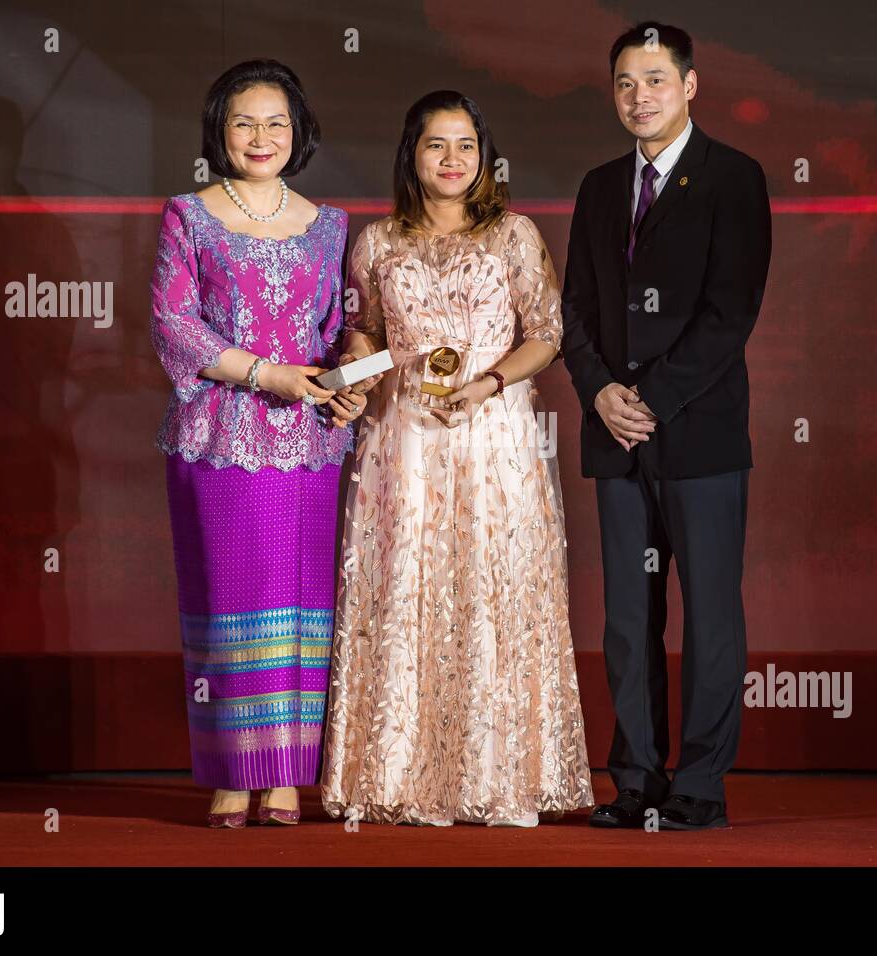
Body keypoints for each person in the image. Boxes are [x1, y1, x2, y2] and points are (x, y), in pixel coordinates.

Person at [320, 90, 595, 827]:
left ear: (485, 156)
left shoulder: (513, 236)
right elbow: (363, 335)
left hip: (493, 438)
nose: (452, 160)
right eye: (436, 145)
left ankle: (498, 776)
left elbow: (548, 331)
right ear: (411, 154)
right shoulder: (376, 243)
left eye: (466, 145)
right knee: (405, 589)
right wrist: (352, 375)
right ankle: (402, 778)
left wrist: (488, 384)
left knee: (490, 588)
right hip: (402, 441)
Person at [150, 59, 374, 828]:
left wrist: (348, 384)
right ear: (219, 130)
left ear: (299, 132)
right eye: (244, 122)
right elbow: (176, 325)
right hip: (219, 439)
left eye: (276, 122)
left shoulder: (329, 225)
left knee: (301, 606)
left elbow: (340, 333)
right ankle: (231, 773)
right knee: (228, 602)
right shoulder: (189, 214)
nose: (260, 136)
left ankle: (284, 777)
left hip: (308, 449)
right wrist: (267, 375)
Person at [561, 22, 772, 830]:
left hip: (701, 435)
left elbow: (730, 314)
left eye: (654, 80)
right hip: (614, 437)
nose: (637, 97)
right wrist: (600, 393)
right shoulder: (599, 187)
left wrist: (651, 399)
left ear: (689, 87)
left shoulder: (735, 179)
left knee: (712, 613)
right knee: (627, 618)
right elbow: (572, 307)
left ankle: (702, 783)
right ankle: (637, 776)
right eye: (623, 83)